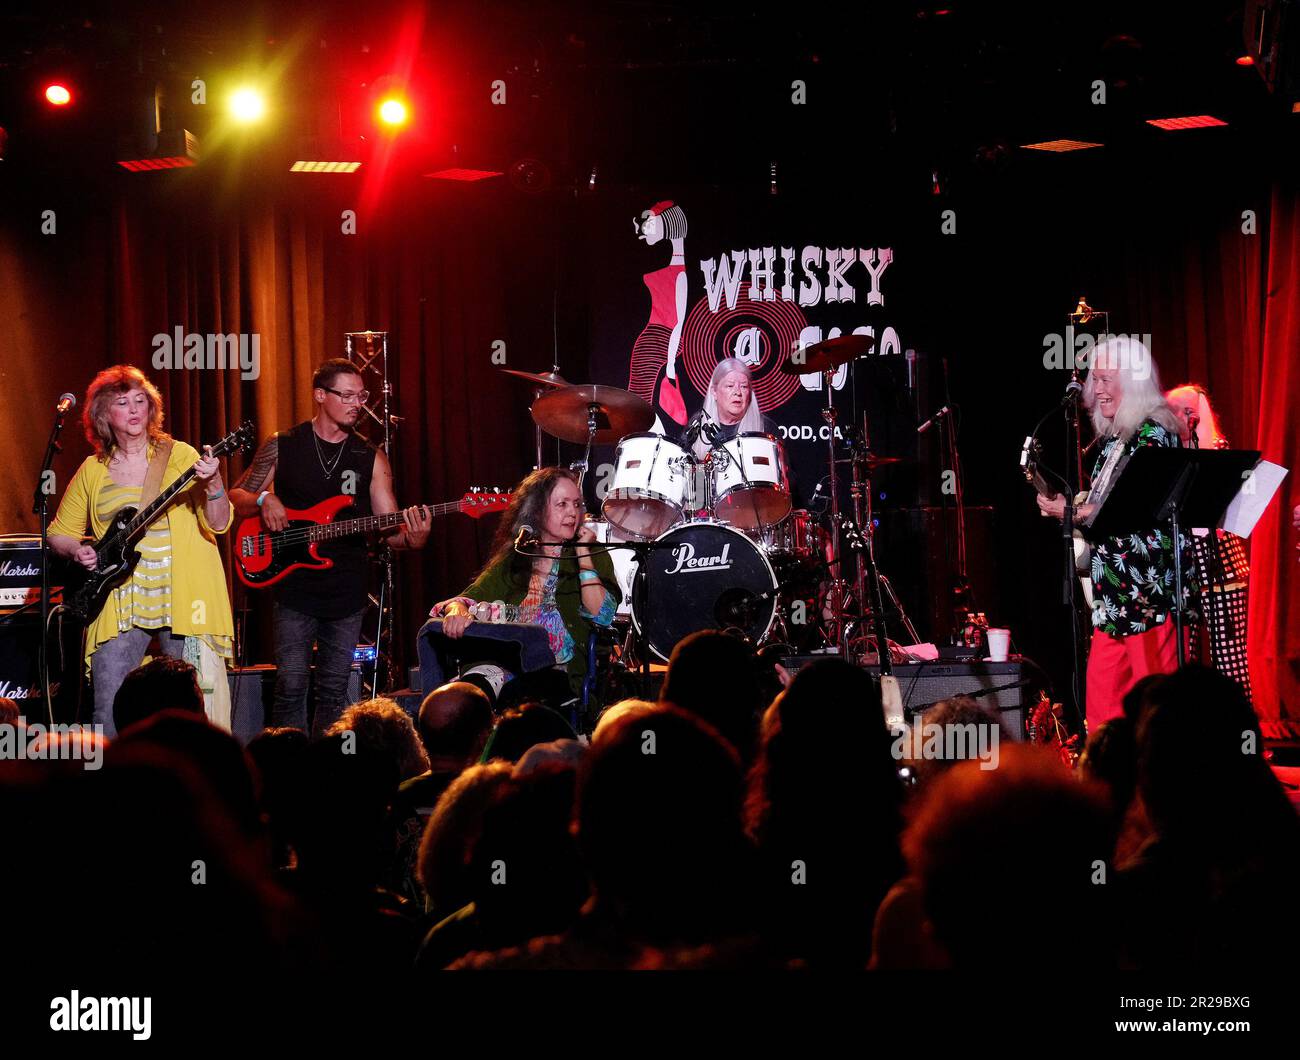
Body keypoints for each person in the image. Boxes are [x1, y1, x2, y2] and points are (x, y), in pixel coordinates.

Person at [229, 358, 433, 737]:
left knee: (335, 693)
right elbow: (236, 494)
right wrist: (262, 501)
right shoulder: (283, 445)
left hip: (346, 590)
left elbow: (391, 531)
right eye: (348, 395)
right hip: (294, 588)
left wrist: (414, 538)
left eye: (362, 396)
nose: (358, 404)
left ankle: (328, 777)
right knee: (290, 687)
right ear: (320, 396)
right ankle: (286, 775)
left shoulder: (369, 456)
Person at [48, 365, 234, 738]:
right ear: (103, 414)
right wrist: (78, 551)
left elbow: (217, 521)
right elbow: (58, 533)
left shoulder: (179, 455)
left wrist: (213, 481)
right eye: (123, 402)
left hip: (183, 596)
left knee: (190, 707)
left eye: (141, 401)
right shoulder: (92, 470)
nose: (135, 410)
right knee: (107, 705)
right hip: (119, 598)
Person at [1036, 337, 1193, 731]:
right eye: (1095, 380)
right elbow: (1102, 509)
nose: (1097, 390)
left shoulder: (1153, 434)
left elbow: (1126, 509)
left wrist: (1068, 511)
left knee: (1158, 713)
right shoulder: (1115, 439)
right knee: (1104, 711)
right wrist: (1069, 510)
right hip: (1115, 601)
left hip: (1147, 597)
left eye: (1107, 380)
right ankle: (1108, 787)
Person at [431, 468, 619, 700]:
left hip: (558, 673)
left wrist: (582, 552)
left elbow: (601, 615)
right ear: (537, 510)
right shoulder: (518, 555)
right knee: (463, 695)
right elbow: (467, 598)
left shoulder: (592, 553)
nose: (572, 512)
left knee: (516, 693)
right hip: (507, 665)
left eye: (577, 504)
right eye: (562, 504)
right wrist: (457, 609)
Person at [1164, 383, 1252, 704]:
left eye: (1189, 411)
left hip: (1221, 564)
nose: (1182, 417)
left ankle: (1241, 735)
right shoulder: (1162, 459)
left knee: (1230, 658)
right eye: (1174, 410)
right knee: (1182, 655)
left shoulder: (1217, 456)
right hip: (1180, 565)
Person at [629, 201, 690, 429]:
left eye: (654, 224)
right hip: (652, 341)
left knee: (640, 405)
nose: (648, 230)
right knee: (638, 404)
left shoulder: (679, 274)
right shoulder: (669, 266)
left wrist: (671, 364)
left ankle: (652, 447)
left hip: (661, 342)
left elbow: (678, 323)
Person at [681, 357, 780, 462]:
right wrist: (702, 476)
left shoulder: (765, 428)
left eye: (744, 387)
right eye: (730, 386)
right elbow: (693, 472)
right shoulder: (697, 426)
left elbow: (781, 474)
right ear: (714, 391)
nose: (737, 392)